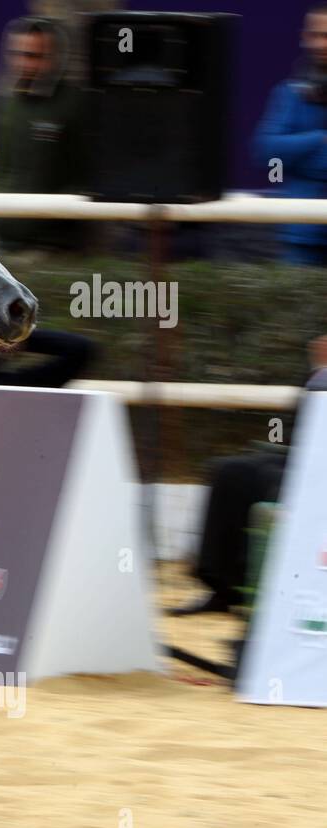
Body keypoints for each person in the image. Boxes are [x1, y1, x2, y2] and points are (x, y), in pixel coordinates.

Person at [171, 334, 327, 615]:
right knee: (229, 472)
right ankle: (223, 588)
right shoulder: (319, 376)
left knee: (272, 481)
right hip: (307, 456)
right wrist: (319, 370)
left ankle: (274, 592)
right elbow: (300, 423)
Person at [0, 17, 88, 253]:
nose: (25, 63)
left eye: (34, 56)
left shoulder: (75, 103)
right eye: (18, 53)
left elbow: (84, 174)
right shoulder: (5, 104)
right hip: (3, 245)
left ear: (54, 59)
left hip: (53, 249)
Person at [251, 4, 327, 266]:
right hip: (301, 239)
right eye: (315, 35)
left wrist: (299, 157)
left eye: (326, 36)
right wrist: (319, 140)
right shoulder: (288, 93)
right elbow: (265, 153)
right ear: (304, 36)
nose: (320, 43)